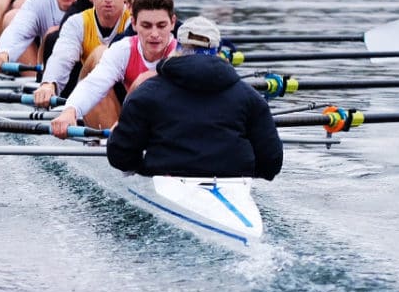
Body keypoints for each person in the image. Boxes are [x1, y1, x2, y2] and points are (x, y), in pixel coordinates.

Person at [106, 17, 283, 180]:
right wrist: (246, 174)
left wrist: (144, 169)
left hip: (165, 180)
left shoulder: (146, 94)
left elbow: (120, 155)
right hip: (235, 182)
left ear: (178, 48)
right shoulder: (251, 97)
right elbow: (272, 162)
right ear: (217, 52)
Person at [50, 0, 178, 136]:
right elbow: (93, 85)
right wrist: (70, 110)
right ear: (134, 23)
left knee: (146, 80)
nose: (154, 34)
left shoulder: (182, 54)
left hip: (171, 125)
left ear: (173, 23)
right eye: (146, 26)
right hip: (135, 121)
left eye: (161, 26)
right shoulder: (123, 49)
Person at [34, 0, 130, 105]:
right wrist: (49, 84)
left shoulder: (134, 21)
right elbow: (62, 57)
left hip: (126, 95)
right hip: (89, 95)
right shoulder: (77, 22)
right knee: (101, 53)